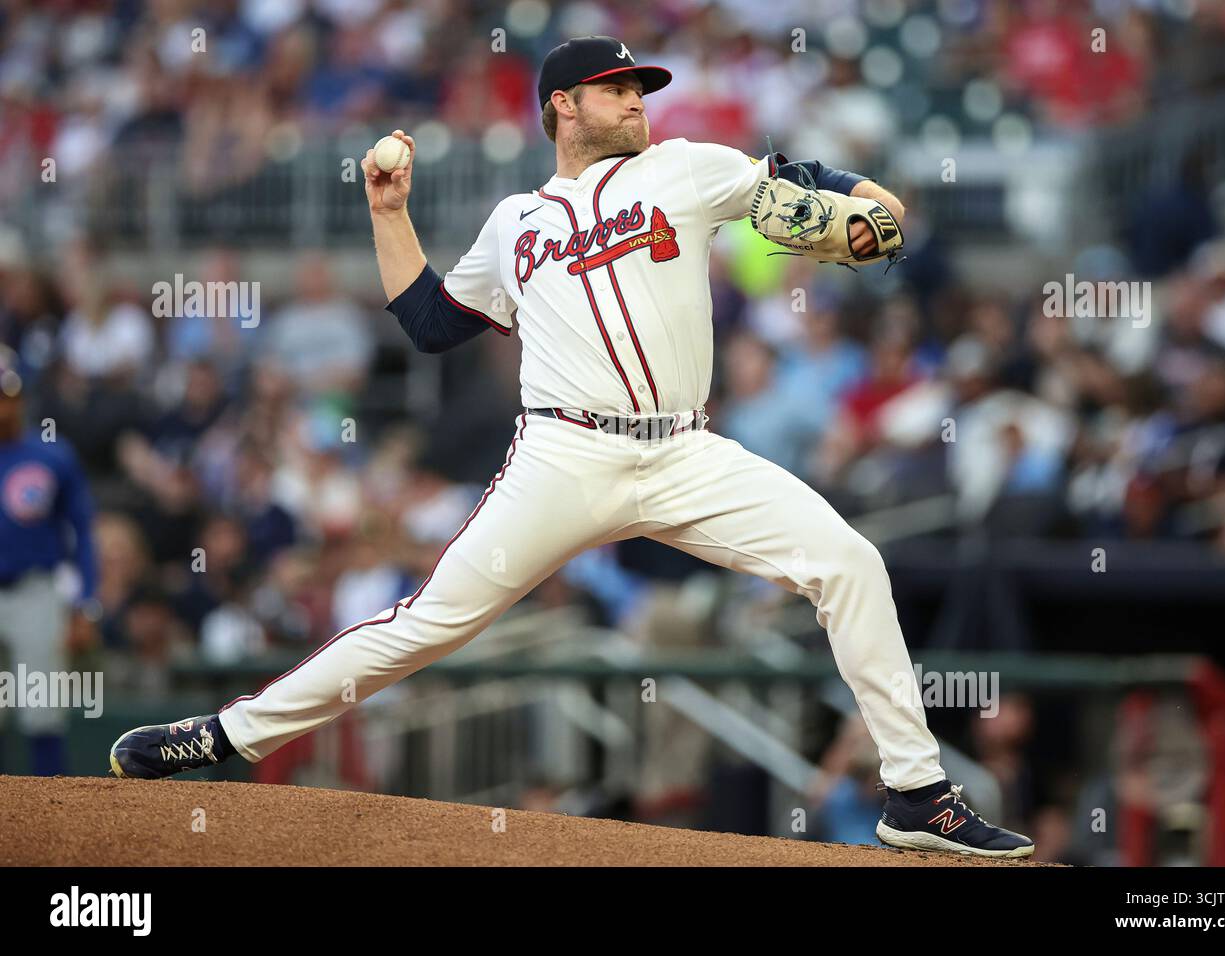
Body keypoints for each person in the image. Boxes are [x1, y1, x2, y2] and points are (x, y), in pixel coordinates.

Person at [110, 36, 1033, 858]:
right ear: (563, 105)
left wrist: (861, 201)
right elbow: (433, 323)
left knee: (851, 563)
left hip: (685, 454)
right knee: (425, 626)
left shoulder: (685, 168)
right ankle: (226, 737)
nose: (637, 101)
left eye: (641, 88)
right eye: (616, 88)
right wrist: (390, 214)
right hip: (563, 457)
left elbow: (787, 181)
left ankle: (918, 793)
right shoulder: (516, 222)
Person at [0, 347, 99, 775]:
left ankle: (52, 825)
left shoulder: (51, 456)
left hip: (35, 592)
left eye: (8, 394)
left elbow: (81, 535)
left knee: (43, 714)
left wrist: (84, 604)